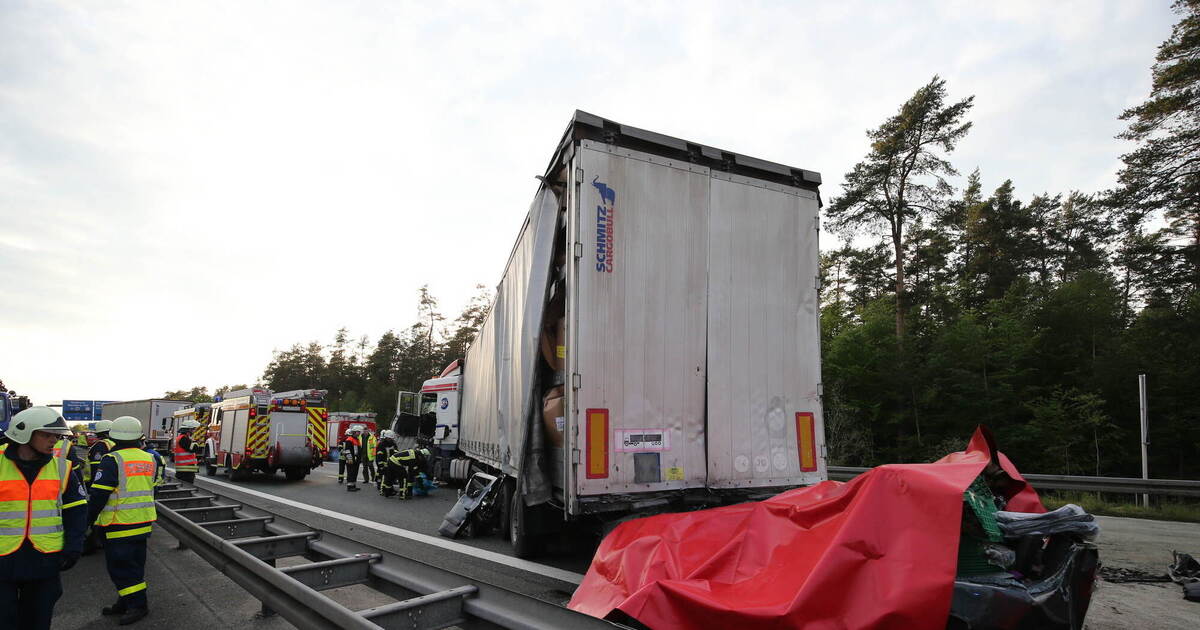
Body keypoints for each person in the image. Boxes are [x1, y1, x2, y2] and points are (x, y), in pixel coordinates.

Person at [0, 407, 88, 630]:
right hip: (3, 558)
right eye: (46, 435)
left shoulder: (61, 467)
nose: (53, 441)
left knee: (38, 621)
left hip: (44, 559)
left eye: (56, 436)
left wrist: (73, 549)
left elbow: (77, 512)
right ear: (24, 433)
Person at [86, 416, 158, 625]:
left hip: (118, 523)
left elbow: (99, 495)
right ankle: (126, 601)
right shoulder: (148, 458)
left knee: (121, 567)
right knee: (134, 565)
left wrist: (87, 521)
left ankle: (138, 605)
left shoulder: (112, 459)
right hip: (143, 521)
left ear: (113, 436)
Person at [171, 419, 201, 483]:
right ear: (188, 430)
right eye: (193, 429)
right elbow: (194, 449)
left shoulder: (181, 438)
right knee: (187, 486)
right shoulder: (183, 439)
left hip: (183, 469)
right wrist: (196, 442)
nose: (193, 431)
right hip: (186, 469)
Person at [339, 426, 363, 492]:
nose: (359, 433)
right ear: (355, 432)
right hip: (351, 460)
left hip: (356, 460)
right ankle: (349, 486)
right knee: (351, 473)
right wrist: (350, 459)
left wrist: (360, 458)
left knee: (355, 473)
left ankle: (353, 485)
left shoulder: (357, 439)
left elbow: (358, 450)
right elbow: (348, 450)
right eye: (358, 432)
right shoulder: (349, 440)